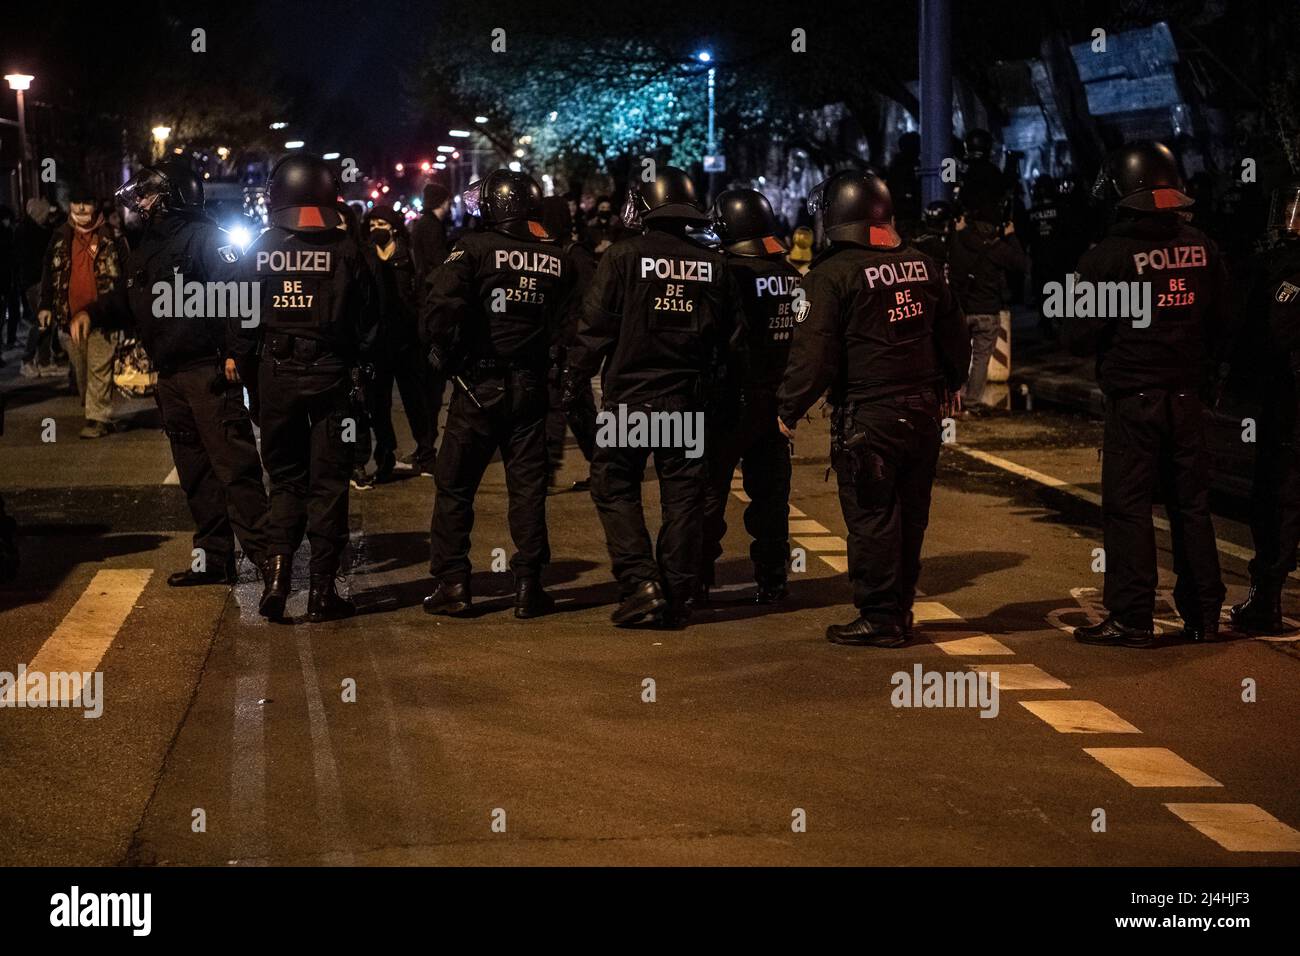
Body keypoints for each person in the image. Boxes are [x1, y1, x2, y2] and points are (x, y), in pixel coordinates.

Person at [777, 170, 969, 647]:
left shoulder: (828, 276)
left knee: (873, 516)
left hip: (870, 416)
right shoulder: (923, 265)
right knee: (911, 513)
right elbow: (954, 332)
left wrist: (787, 409)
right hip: (924, 413)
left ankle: (880, 616)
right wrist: (953, 381)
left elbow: (814, 354)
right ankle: (900, 609)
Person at [71, 159, 269, 588]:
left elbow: (241, 295)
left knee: (234, 469)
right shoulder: (149, 246)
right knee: (196, 474)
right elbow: (131, 299)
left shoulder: (205, 239)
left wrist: (236, 353)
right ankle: (214, 560)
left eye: (147, 194)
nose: (139, 202)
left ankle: (271, 561)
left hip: (207, 372)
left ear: (172, 196)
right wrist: (92, 312)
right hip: (173, 377)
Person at [564, 166, 745, 628]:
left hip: (628, 401)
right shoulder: (714, 265)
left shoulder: (623, 257)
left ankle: (641, 584)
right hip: (685, 401)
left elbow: (594, 328)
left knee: (614, 486)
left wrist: (572, 378)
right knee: (683, 496)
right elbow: (731, 340)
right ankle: (678, 591)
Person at [1070, 141, 1231, 647]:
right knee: (1191, 506)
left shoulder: (1108, 257)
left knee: (1129, 507)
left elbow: (1074, 333)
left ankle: (1132, 617)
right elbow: (1226, 320)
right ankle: (1205, 615)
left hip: (1135, 401)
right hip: (1187, 397)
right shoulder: (1203, 248)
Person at [421, 169, 575, 620]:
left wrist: (444, 354)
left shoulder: (472, 249)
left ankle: (453, 584)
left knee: (454, 487)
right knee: (526, 490)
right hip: (529, 387)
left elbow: (439, 309)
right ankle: (528, 586)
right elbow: (568, 323)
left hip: (477, 387)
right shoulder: (557, 257)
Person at [231, 154, 378, 622]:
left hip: (276, 375)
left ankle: (275, 585)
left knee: (286, 480)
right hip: (332, 375)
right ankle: (321, 593)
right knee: (329, 483)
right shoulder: (349, 248)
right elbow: (373, 318)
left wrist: (242, 362)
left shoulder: (260, 246)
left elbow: (240, 315)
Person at [699, 188, 800, 605]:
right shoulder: (790, 274)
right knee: (772, 499)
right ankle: (773, 579)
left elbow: (707, 338)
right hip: (775, 405)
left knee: (707, 495)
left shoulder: (723, 272)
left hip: (727, 401)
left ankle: (699, 578)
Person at [1228, 181, 1300, 635]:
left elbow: (1274, 333)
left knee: (1278, 499)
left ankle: (1267, 599)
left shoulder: (1286, 270)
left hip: (1290, 405)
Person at [353, 205, 438, 486]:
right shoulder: (366, 255)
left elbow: (422, 291)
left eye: (382, 222)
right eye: (373, 222)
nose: (377, 227)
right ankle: (385, 458)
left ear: (394, 226)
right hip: (379, 344)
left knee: (417, 401)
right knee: (379, 406)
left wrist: (423, 329)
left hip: (407, 340)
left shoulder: (408, 253)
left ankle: (427, 455)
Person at [39, 183, 129, 438]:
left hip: (104, 318)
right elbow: (48, 272)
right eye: (76, 203)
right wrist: (45, 306)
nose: (80, 208)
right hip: (69, 317)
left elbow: (126, 275)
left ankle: (97, 418)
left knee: (99, 367)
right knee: (81, 370)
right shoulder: (59, 236)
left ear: (95, 206)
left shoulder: (110, 236)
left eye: (86, 203)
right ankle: (94, 408)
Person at [539, 195, 598, 492]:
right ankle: (604, 468)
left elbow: (589, 304)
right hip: (558, 344)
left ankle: (548, 472)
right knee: (577, 410)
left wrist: (573, 341)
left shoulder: (575, 255)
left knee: (565, 408)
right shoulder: (549, 253)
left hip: (570, 347)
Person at [947, 205, 1028, 413]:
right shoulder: (997, 248)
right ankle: (972, 402)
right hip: (988, 311)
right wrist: (1011, 237)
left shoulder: (962, 241)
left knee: (957, 356)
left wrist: (960, 230)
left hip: (963, 310)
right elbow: (1022, 264)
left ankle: (952, 399)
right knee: (981, 359)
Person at [17, 198, 59, 378]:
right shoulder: (28, 232)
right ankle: (27, 359)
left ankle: (44, 361)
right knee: (41, 321)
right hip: (35, 282)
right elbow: (29, 260)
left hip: (39, 281)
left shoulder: (37, 230)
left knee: (47, 321)